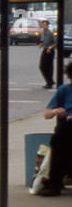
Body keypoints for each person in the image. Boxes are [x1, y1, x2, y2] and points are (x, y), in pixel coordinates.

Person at [38, 60, 72, 195]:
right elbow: (47, 114)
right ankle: (56, 182)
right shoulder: (64, 90)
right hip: (68, 124)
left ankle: (58, 179)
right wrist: (56, 111)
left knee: (61, 138)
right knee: (59, 139)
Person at [39, 20, 57, 89]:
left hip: (50, 51)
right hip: (45, 50)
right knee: (42, 66)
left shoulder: (50, 33)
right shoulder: (43, 32)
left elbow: (55, 43)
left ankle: (49, 82)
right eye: (43, 25)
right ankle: (50, 81)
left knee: (48, 67)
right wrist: (41, 44)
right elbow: (43, 41)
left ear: (47, 25)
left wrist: (50, 48)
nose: (44, 26)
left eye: (45, 25)